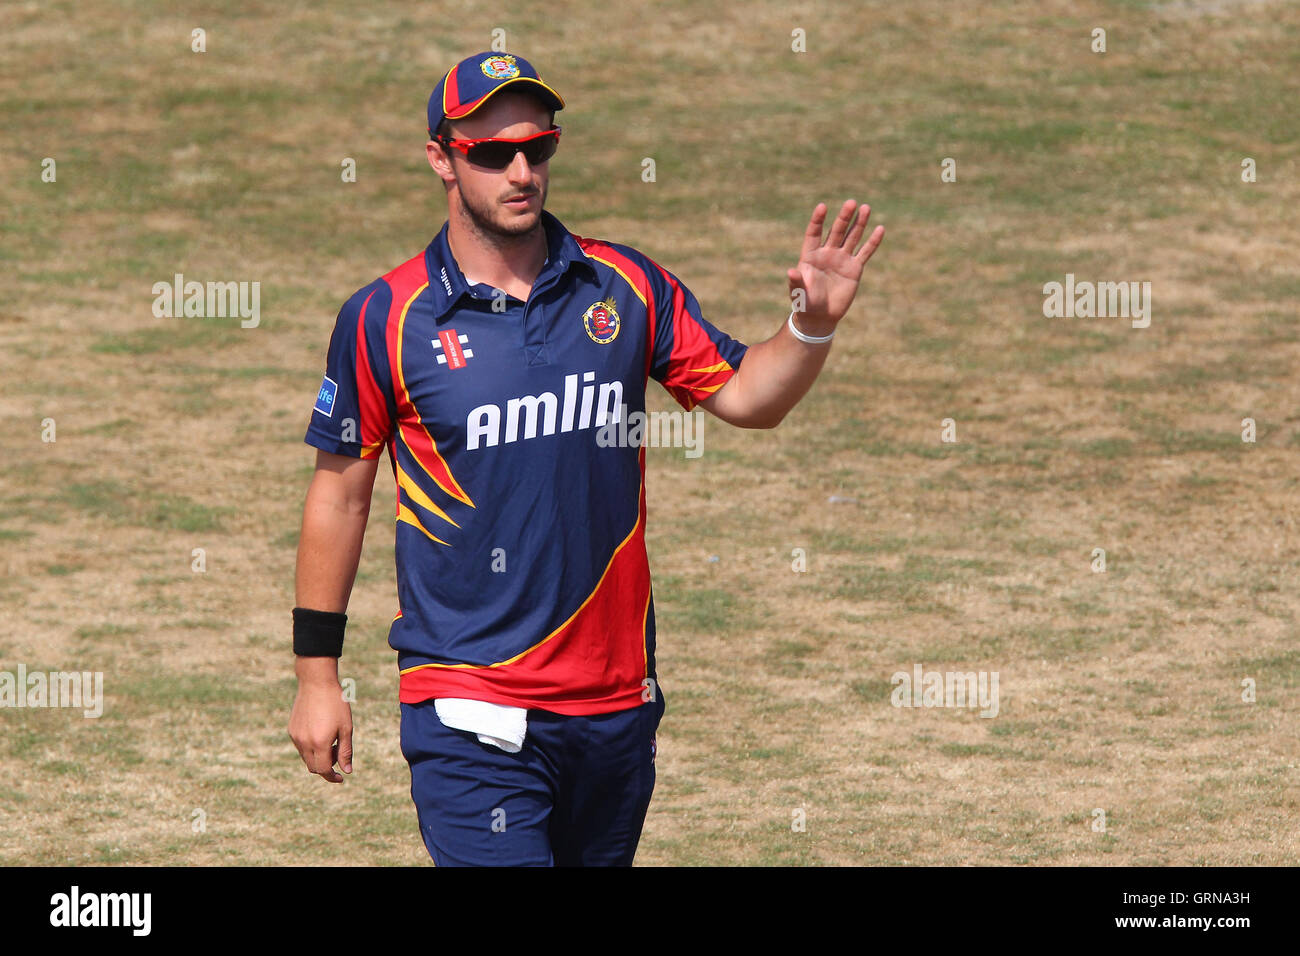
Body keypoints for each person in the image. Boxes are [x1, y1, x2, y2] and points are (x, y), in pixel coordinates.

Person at [287, 50, 884, 866]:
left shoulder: (625, 286)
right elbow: (340, 498)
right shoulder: (386, 317)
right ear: (442, 159)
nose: (522, 171)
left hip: (614, 704)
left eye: (540, 149)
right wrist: (317, 675)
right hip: (469, 704)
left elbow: (751, 399)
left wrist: (813, 324)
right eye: (493, 154)